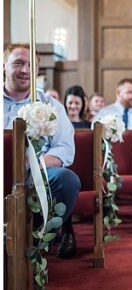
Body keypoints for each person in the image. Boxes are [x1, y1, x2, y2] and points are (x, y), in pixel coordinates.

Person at [3, 43, 80, 259]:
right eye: (18, 63)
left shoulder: (50, 105)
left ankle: (34, 242)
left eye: (31, 65)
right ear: (3, 65)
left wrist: (37, 165)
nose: (25, 70)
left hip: (37, 175)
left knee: (67, 180)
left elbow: (65, 148)